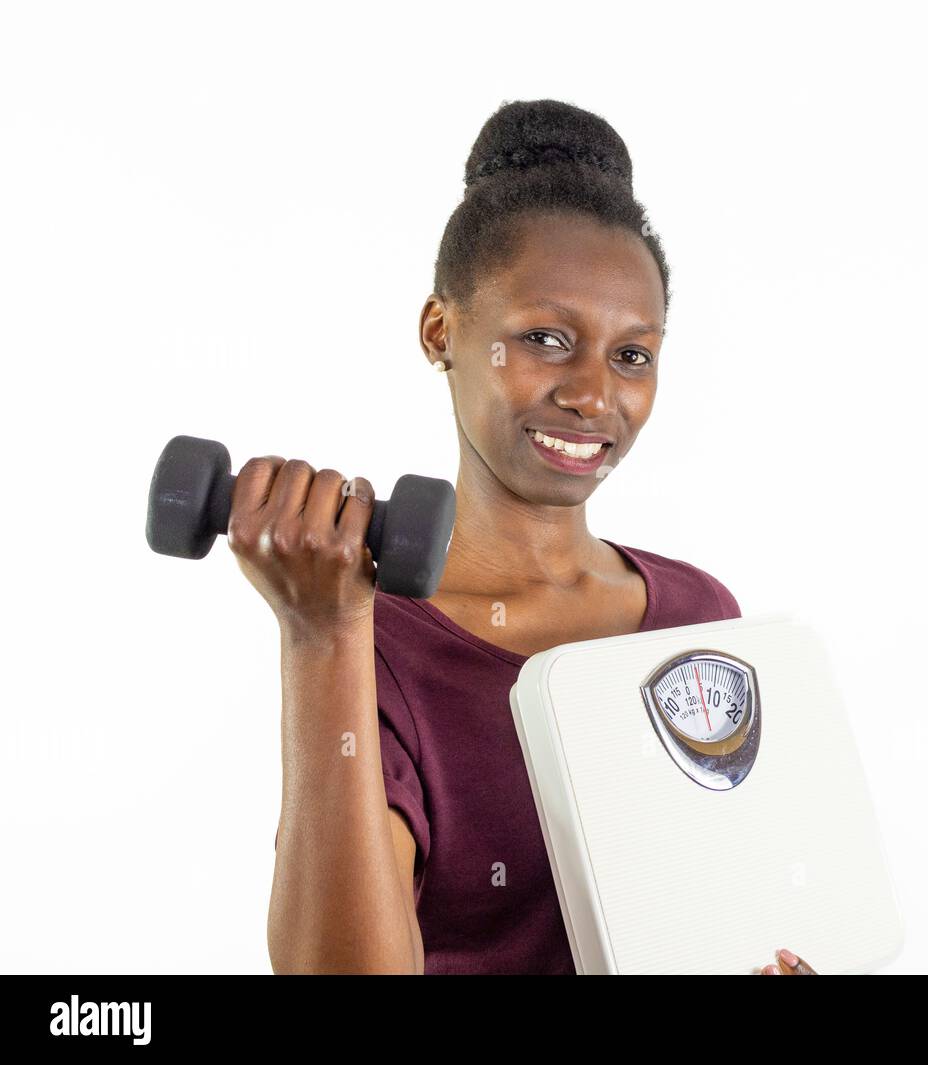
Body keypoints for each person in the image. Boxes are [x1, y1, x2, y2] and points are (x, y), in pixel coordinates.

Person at [236, 99, 815, 975]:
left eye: (632, 355)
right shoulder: (374, 641)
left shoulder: (700, 617)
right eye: (545, 338)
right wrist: (322, 638)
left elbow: (737, 914)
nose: (593, 395)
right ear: (442, 331)